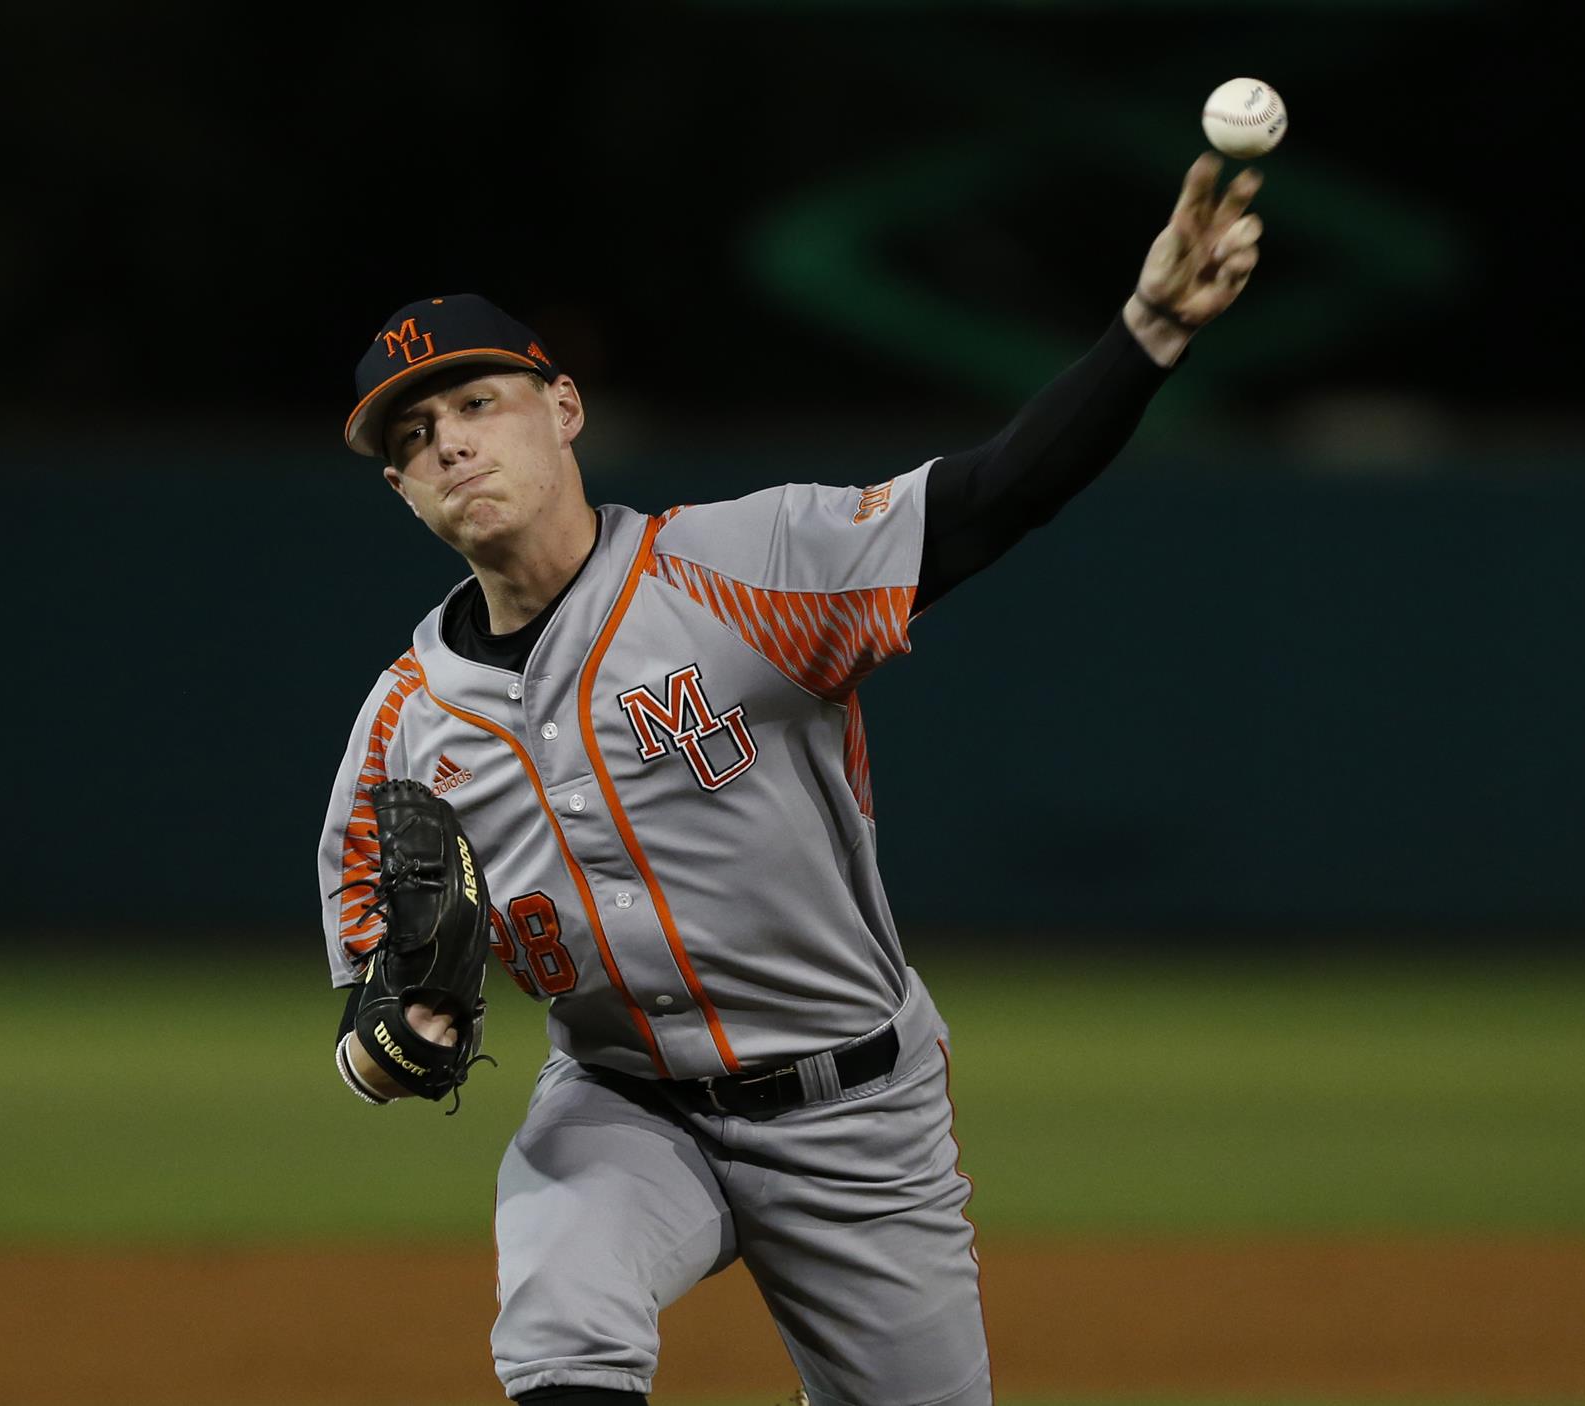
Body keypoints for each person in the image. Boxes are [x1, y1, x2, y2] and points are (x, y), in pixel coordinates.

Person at [314, 153, 1265, 1406]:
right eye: (414, 438)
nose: (449, 445)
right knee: (561, 1323)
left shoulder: (736, 568)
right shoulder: (401, 725)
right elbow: (369, 1001)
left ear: (563, 408)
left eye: (475, 403)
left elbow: (991, 497)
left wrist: (1144, 333)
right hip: (622, 1107)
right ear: (399, 487)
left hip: (855, 1109)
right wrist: (391, 1041)